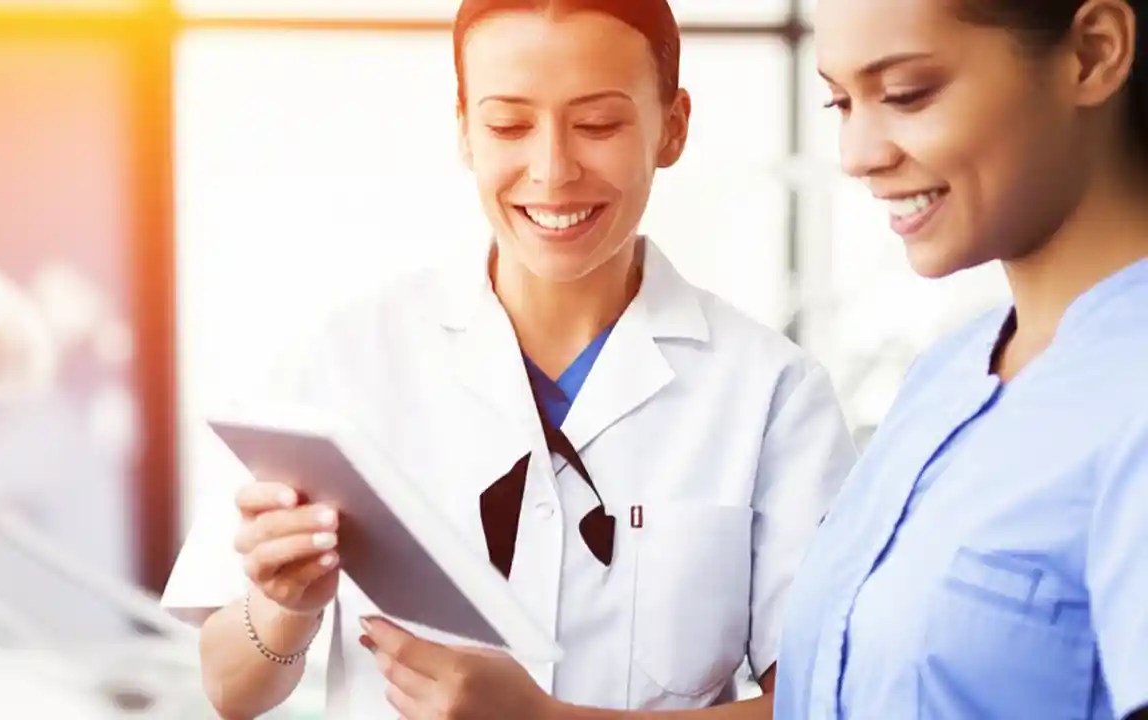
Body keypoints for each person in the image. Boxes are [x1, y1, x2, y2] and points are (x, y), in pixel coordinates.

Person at [162, 1, 856, 718]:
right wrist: (283, 607)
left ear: (672, 127)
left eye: (598, 124)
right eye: (508, 125)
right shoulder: (346, 362)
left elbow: (822, 703)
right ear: (464, 129)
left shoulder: (773, 395)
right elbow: (230, 688)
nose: (552, 171)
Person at [775, 0, 1148, 718]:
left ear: (1094, 54)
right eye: (840, 102)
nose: (857, 154)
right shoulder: (944, 379)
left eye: (906, 94)